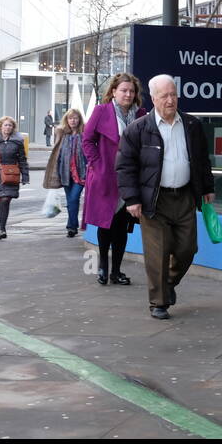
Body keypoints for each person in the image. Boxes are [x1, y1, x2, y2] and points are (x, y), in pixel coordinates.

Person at [116, 75, 215, 319]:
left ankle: (167, 283)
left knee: (187, 249)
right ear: (153, 99)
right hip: (154, 200)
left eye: (174, 94)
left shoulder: (192, 125)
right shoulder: (137, 130)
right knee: (157, 253)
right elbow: (125, 166)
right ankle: (158, 302)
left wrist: (207, 188)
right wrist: (131, 199)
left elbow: (203, 161)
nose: (171, 100)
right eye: (165, 96)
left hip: (184, 197)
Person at [82, 73, 146, 286]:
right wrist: (97, 164)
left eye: (131, 91)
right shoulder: (102, 111)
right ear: (114, 92)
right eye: (124, 90)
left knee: (122, 226)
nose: (128, 94)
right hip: (105, 177)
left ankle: (116, 271)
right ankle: (102, 267)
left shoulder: (142, 114)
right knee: (105, 225)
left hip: (131, 179)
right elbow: (87, 140)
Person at [44, 108, 86, 237]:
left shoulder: (84, 134)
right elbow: (57, 154)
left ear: (79, 120)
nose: (73, 120)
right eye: (70, 118)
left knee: (73, 198)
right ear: (66, 120)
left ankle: (71, 226)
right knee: (70, 201)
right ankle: (72, 226)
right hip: (65, 173)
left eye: (75, 118)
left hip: (81, 173)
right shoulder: (62, 135)